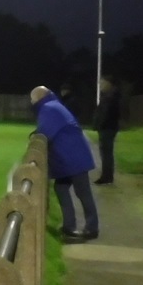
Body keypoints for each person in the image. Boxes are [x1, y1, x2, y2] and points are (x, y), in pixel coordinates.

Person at [31, 85, 100, 242]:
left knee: (82, 192)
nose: (31, 102)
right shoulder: (54, 105)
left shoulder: (48, 108)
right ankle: (69, 225)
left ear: (38, 98)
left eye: (32, 99)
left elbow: (44, 132)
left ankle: (91, 228)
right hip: (71, 157)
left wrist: (34, 138)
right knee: (61, 188)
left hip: (73, 158)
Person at [94, 76, 121, 184]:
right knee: (105, 153)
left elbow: (106, 113)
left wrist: (100, 124)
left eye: (103, 83)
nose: (101, 86)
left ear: (109, 84)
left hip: (107, 128)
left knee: (106, 153)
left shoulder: (111, 97)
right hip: (107, 127)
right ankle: (106, 176)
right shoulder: (109, 96)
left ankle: (107, 177)